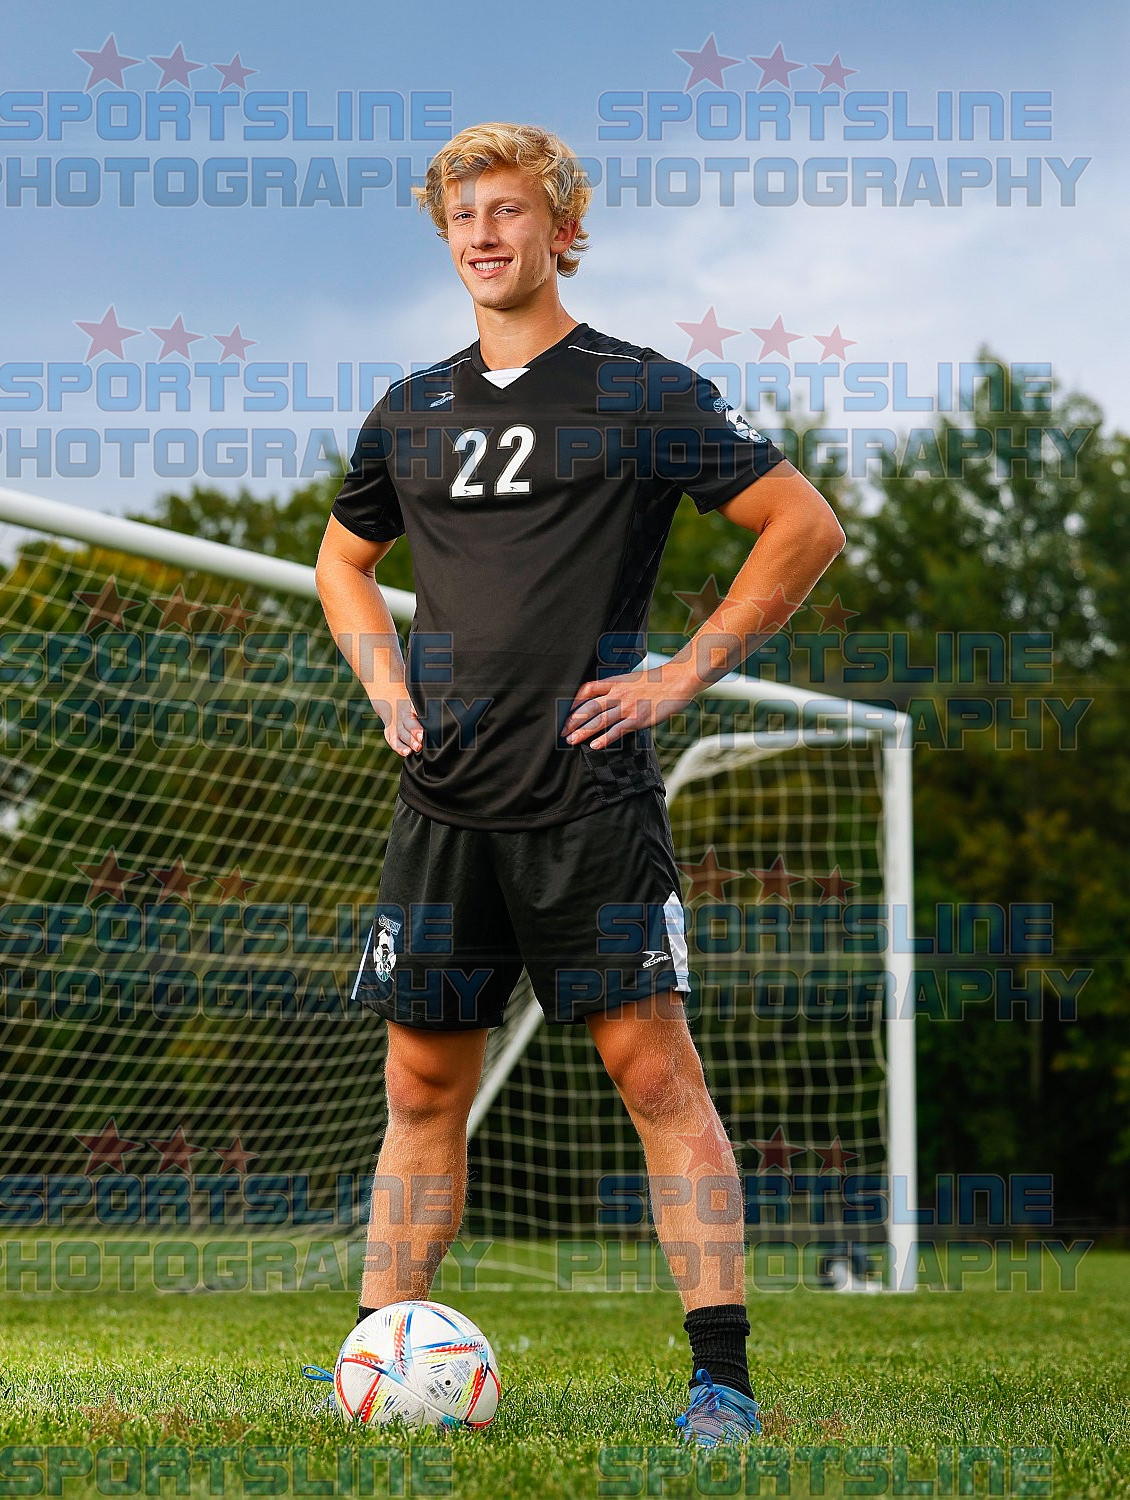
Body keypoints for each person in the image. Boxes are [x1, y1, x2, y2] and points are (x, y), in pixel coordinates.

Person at [312, 121, 845, 1447]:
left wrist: (678, 676)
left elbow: (803, 524)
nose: (482, 236)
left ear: (562, 228)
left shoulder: (638, 391)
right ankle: (377, 1360)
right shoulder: (410, 409)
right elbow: (342, 561)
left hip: (587, 800)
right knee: (420, 1089)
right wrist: (384, 684)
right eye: (461, 217)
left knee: (654, 1077)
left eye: (507, 212)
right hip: (444, 802)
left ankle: (719, 1380)